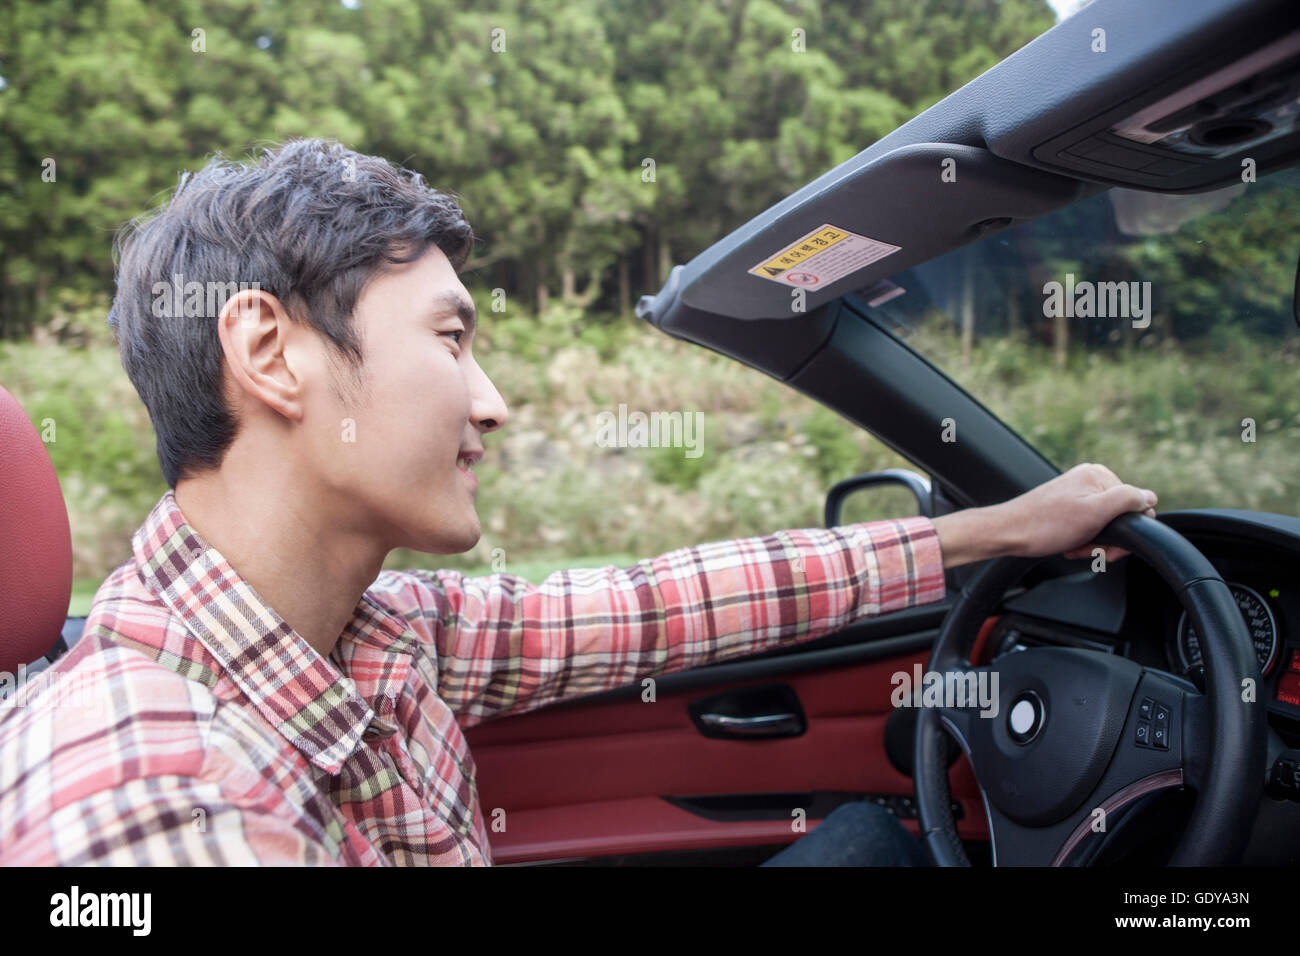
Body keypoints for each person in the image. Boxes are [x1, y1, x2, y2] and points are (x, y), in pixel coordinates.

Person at [0, 139, 1157, 866]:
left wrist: (996, 529)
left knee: (869, 842)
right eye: (451, 338)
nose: (492, 403)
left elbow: (656, 606)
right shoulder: (153, 800)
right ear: (270, 353)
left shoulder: (371, 633)